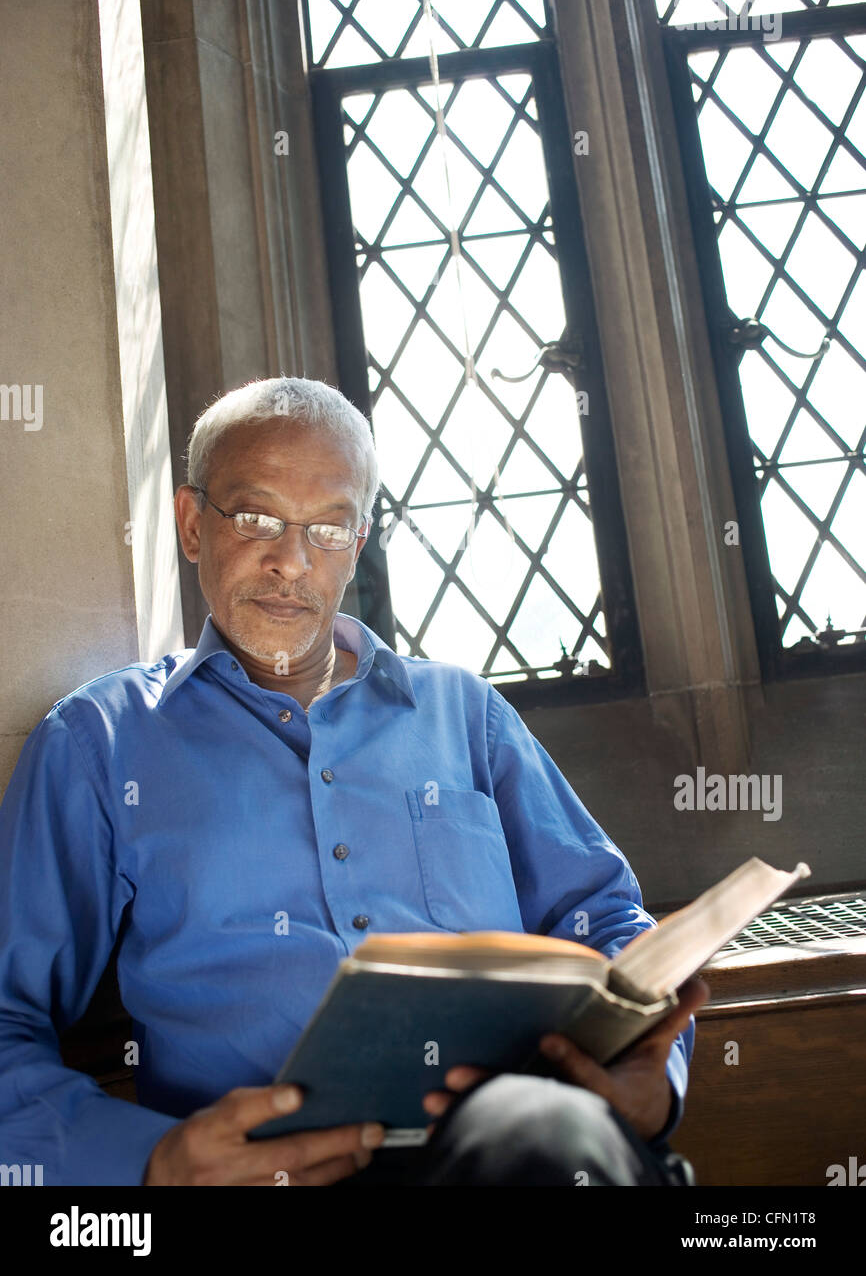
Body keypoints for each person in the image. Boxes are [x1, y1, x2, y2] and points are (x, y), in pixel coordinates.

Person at [0, 376, 707, 1187]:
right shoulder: (99, 741)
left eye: (328, 528)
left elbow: (606, 920)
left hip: (518, 1147)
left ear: (359, 541)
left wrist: (652, 1080)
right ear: (193, 525)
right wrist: (152, 1163)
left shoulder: (464, 714)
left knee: (544, 1134)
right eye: (257, 518)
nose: (291, 562)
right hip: (266, 1177)